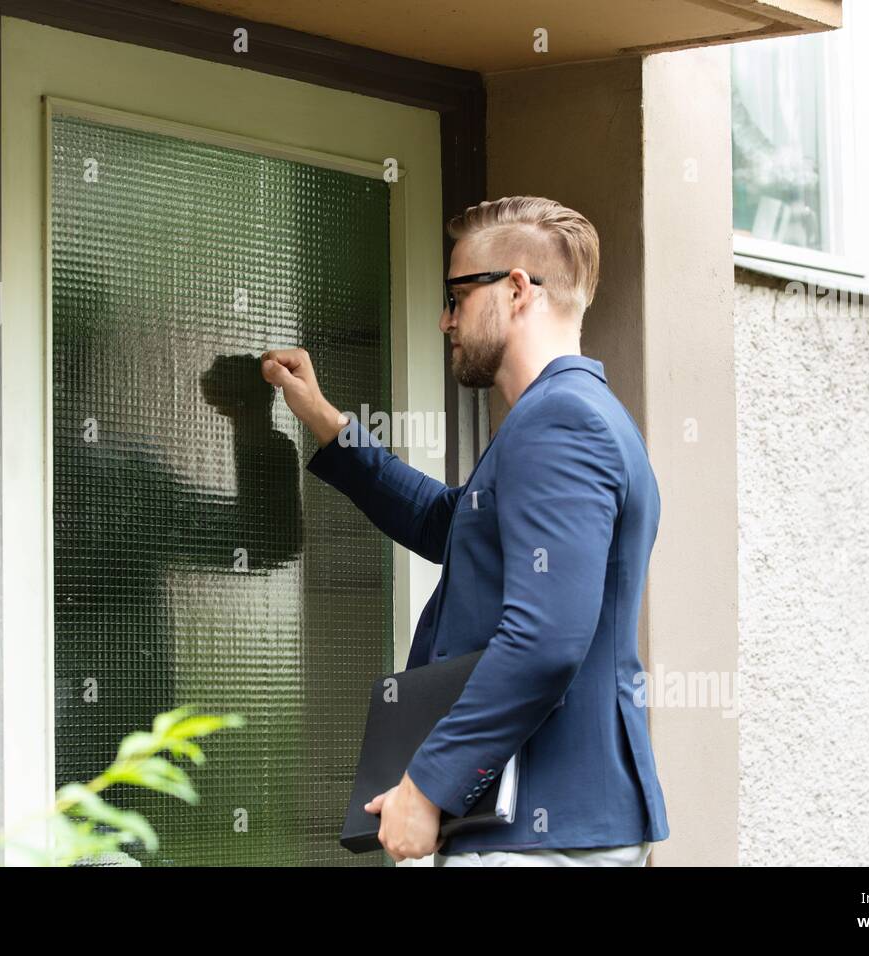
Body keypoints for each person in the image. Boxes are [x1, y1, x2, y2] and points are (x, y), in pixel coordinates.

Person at [261, 196, 669, 867]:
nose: (446, 318)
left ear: (515, 289)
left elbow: (545, 639)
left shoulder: (559, 422)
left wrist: (428, 785)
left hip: (539, 834)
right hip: (547, 829)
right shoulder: (569, 416)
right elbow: (451, 524)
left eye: (458, 294)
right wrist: (326, 420)